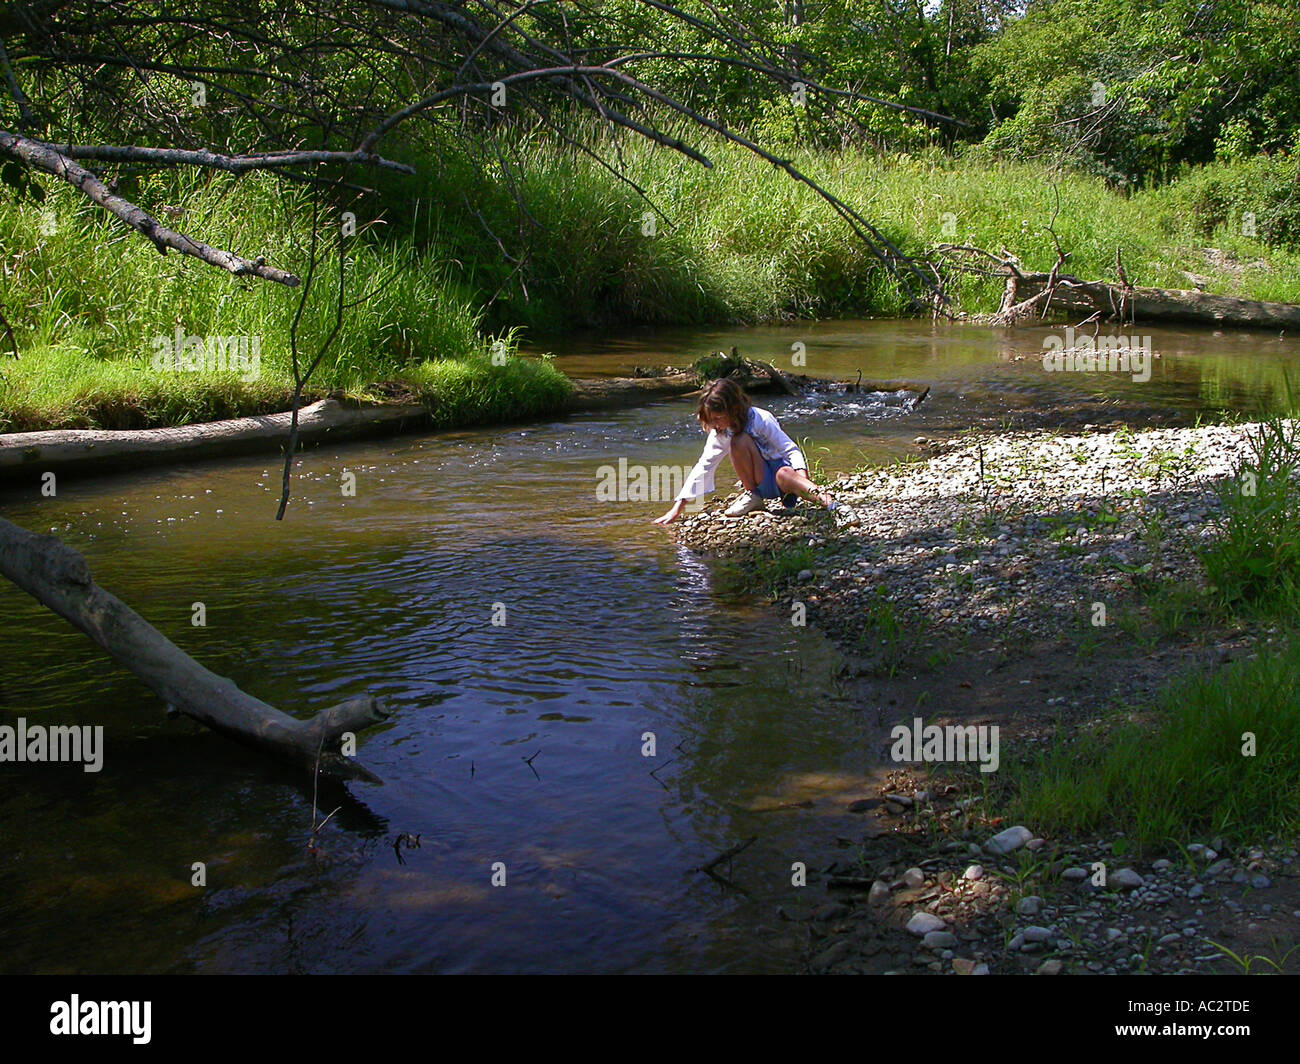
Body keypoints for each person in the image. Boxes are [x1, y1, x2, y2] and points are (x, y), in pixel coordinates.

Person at [652, 378, 861, 527]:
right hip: (761, 481)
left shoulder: (761, 419)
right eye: (710, 419)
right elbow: (704, 466)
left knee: (785, 474)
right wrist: (677, 508)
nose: (713, 424)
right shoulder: (721, 433)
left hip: (783, 477)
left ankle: (835, 506)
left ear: (733, 410)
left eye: (717, 418)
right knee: (738, 441)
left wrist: (802, 480)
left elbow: (790, 449)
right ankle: (753, 496)